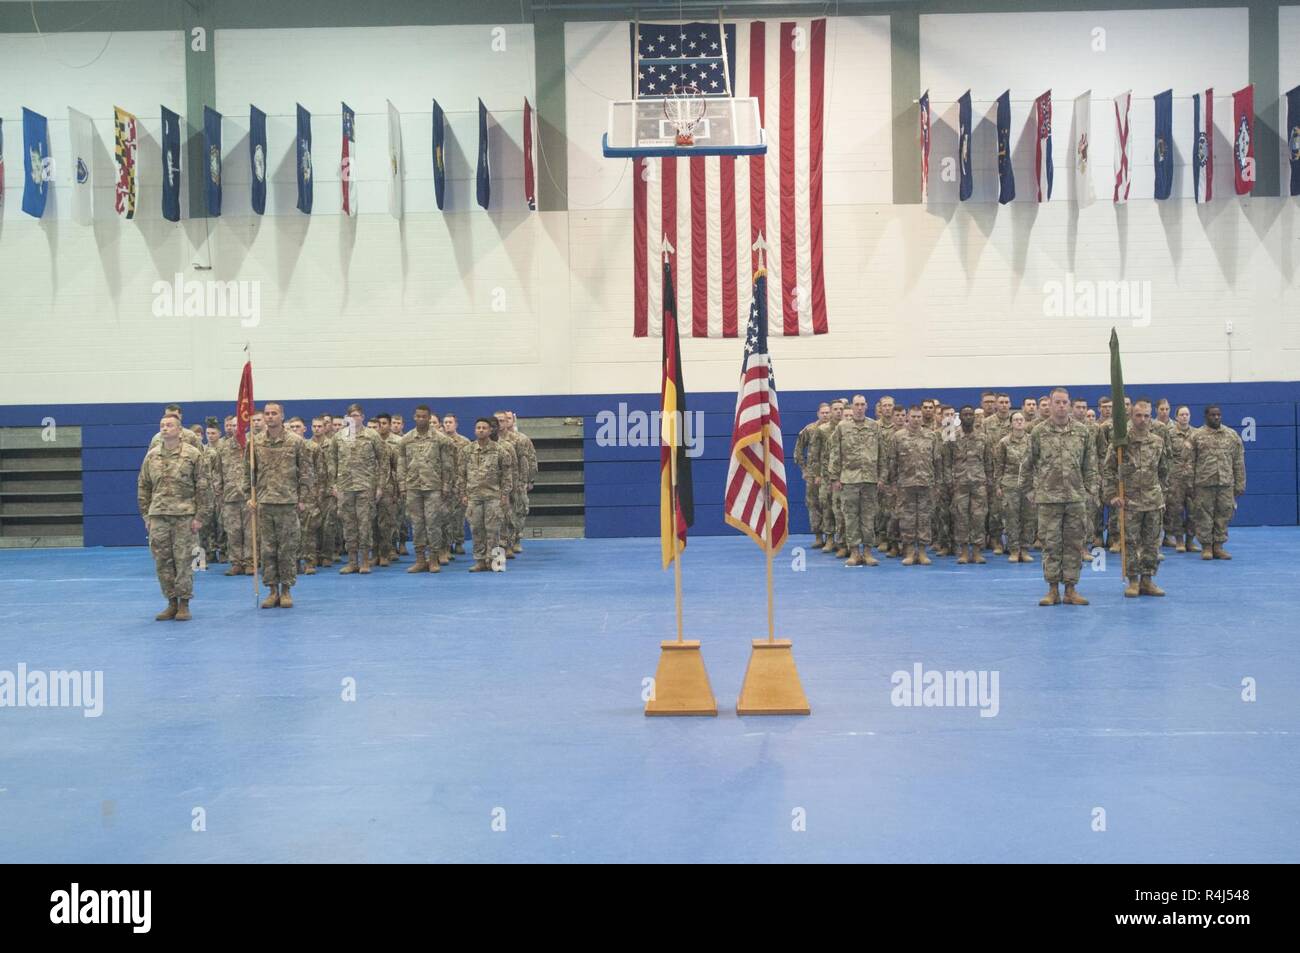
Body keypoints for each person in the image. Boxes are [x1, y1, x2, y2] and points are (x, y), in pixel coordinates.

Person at [1019, 387, 1098, 606]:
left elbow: (1090, 465)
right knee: (1050, 544)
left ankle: (1071, 589)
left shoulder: (1083, 432)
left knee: (1074, 545)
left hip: (1075, 498)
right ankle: (1052, 589)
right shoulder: (1038, 432)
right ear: (1050, 404)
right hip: (1048, 499)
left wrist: (1091, 491)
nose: (1061, 406)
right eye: (1057, 402)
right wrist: (1028, 490)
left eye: (1065, 402)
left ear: (1070, 404)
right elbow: (1027, 464)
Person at [138, 413, 211, 621]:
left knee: (184, 561)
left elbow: (204, 487)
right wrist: (146, 514)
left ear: (179, 430)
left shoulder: (193, 454)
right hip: (159, 515)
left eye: (169, 425)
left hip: (184, 516)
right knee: (162, 561)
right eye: (162, 425)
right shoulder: (151, 456)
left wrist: (200, 516)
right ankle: (170, 602)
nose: (165, 428)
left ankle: (184, 603)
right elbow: (143, 486)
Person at [243, 403, 311, 608]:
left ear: (282, 416)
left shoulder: (296, 442)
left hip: (288, 502)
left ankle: (287, 590)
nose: (270, 417)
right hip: (264, 502)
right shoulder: (255, 442)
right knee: (267, 550)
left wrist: (303, 499)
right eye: (267, 414)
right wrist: (249, 496)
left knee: (288, 549)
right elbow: (248, 473)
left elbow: (306, 472)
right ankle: (272, 590)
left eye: (274, 414)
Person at [1104, 398, 1170, 597]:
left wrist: (1161, 493)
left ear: (1151, 417)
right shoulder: (1120, 442)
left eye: (1146, 416)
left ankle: (1147, 580)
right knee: (1130, 543)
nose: (1142, 420)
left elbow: (1164, 470)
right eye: (1138, 415)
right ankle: (1133, 581)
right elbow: (1108, 470)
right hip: (1129, 501)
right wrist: (1112, 495)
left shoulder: (1158, 442)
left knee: (1151, 543)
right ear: (1131, 416)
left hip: (1153, 501)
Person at [400, 405, 457, 573]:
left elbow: (448, 465)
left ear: (429, 417)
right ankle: (419, 559)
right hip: (413, 487)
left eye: (424, 416)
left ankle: (433, 559)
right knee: (416, 525)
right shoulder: (407, 439)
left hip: (433, 487)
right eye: (418, 416)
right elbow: (402, 464)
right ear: (414, 417)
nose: (421, 419)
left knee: (433, 524)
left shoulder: (440, 439)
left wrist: (446, 485)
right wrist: (402, 486)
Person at [829, 394, 883, 567]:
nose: (859, 408)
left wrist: (882, 477)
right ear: (852, 407)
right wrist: (834, 477)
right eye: (856, 405)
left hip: (870, 479)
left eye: (862, 404)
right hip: (849, 479)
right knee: (850, 517)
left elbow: (882, 453)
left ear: (867, 406)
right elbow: (835, 453)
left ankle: (867, 553)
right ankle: (854, 552)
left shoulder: (874, 426)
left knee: (868, 517)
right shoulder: (842, 427)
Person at [333, 404, 386, 574]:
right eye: (351, 416)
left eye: (357, 415)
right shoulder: (339, 437)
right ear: (346, 417)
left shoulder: (372, 436)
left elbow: (383, 461)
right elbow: (331, 462)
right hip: (346, 487)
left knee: (364, 524)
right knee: (349, 525)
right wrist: (334, 484)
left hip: (366, 487)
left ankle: (364, 561)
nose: (354, 418)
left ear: (362, 417)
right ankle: (351, 561)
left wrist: (379, 486)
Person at [1190, 405, 1246, 560]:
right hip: (1203, 483)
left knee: (1224, 514)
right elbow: (1189, 462)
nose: (1216, 417)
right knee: (1203, 515)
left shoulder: (1232, 435)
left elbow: (1238, 461)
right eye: (1213, 415)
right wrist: (1189, 484)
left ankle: (1219, 546)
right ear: (1206, 416)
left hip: (1225, 483)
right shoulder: (1196, 436)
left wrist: (1240, 483)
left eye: (1218, 415)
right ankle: (1206, 547)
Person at [460, 417, 515, 572]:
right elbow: (461, 474)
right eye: (478, 428)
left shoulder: (500, 451)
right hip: (474, 496)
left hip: (493, 496)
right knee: (476, 529)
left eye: (484, 427)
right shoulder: (467, 450)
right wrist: (463, 493)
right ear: (475, 430)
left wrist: (505, 494)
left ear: (490, 430)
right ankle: (480, 561)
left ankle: (496, 561)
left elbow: (506, 475)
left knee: (493, 529)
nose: (481, 430)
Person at [888, 406, 939, 566]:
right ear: (907, 418)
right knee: (907, 519)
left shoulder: (931, 436)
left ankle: (922, 552)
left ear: (922, 418)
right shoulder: (898, 437)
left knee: (924, 518)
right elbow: (892, 462)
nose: (916, 419)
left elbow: (937, 461)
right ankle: (909, 552)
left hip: (926, 484)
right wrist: (893, 483)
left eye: (919, 417)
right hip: (905, 485)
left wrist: (938, 483)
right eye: (913, 416)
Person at [946, 405, 993, 564]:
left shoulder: (983, 437)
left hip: (979, 483)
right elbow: (946, 460)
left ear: (974, 417)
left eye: (970, 414)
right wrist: (948, 480)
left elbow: (988, 461)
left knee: (978, 517)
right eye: (965, 414)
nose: (968, 417)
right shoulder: (951, 434)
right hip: (959, 483)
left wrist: (989, 481)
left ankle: (977, 551)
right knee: (961, 517)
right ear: (961, 417)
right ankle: (964, 551)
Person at [994, 411, 1034, 562]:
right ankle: (1013, 550)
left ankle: (1024, 549)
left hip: (1028, 486)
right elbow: (999, 466)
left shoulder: (1032, 441)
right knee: (1011, 519)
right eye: (1016, 420)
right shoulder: (1004, 442)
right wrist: (998, 485)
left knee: (1028, 518)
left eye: (1021, 420)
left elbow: (1037, 464)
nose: (1018, 422)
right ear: (1011, 423)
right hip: (1009, 485)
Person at [794, 403, 829, 544]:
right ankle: (818, 537)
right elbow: (798, 451)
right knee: (814, 505)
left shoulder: (835, 429)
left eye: (828, 412)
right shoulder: (809, 430)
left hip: (829, 475)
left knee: (829, 505)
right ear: (818, 414)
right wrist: (805, 470)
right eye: (823, 413)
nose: (825, 415)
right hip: (813, 475)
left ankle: (832, 537)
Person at [1165, 405, 1197, 552]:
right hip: (1175, 478)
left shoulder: (1197, 434)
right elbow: (1165, 455)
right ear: (1176, 417)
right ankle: (1179, 540)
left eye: (1187, 414)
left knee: (1193, 510)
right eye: (1182, 414)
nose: (1184, 417)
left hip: (1193, 479)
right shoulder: (1169, 434)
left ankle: (1190, 541)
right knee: (1175, 510)